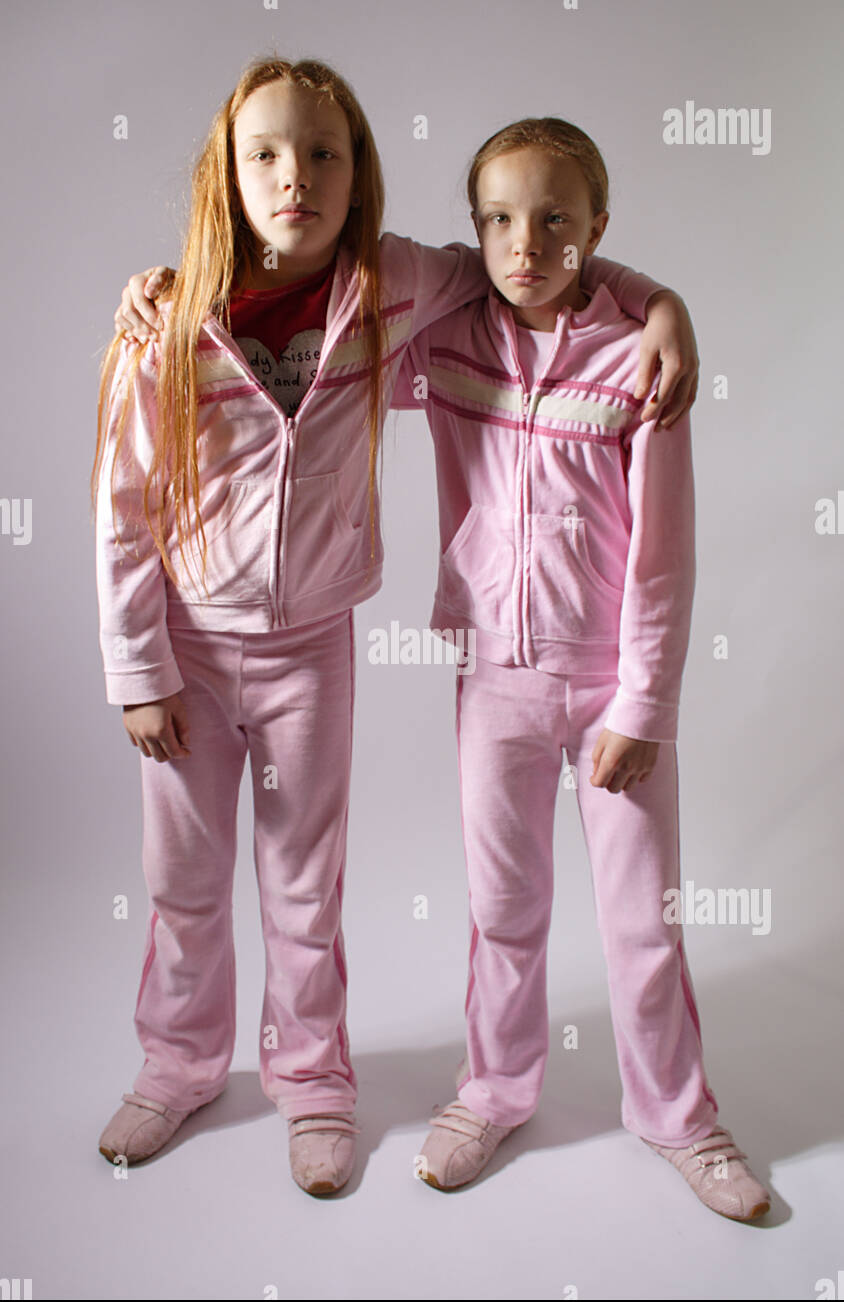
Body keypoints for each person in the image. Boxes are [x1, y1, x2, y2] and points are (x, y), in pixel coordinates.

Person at [95, 55, 700, 1197]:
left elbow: (526, 264)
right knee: (182, 877)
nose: (296, 176)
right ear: (226, 175)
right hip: (184, 646)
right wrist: (135, 665)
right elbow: (122, 513)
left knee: (303, 880)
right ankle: (177, 1063)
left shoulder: (397, 287)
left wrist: (661, 303)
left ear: (360, 171)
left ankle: (315, 1079)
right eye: (266, 153)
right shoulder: (167, 323)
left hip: (313, 646)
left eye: (324, 152)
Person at [391, 116, 770, 1221]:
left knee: (641, 920)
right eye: (499, 220)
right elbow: (355, 297)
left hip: (613, 689)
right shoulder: (446, 340)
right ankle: (493, 1090)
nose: (525, 244)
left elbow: (663, 552)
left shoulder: (635, 358)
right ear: (475, 232)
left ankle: (678, 1116)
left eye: (555, 219)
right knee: (503, 907)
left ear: (597, 228)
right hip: (494, 682)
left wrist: (645, 703)